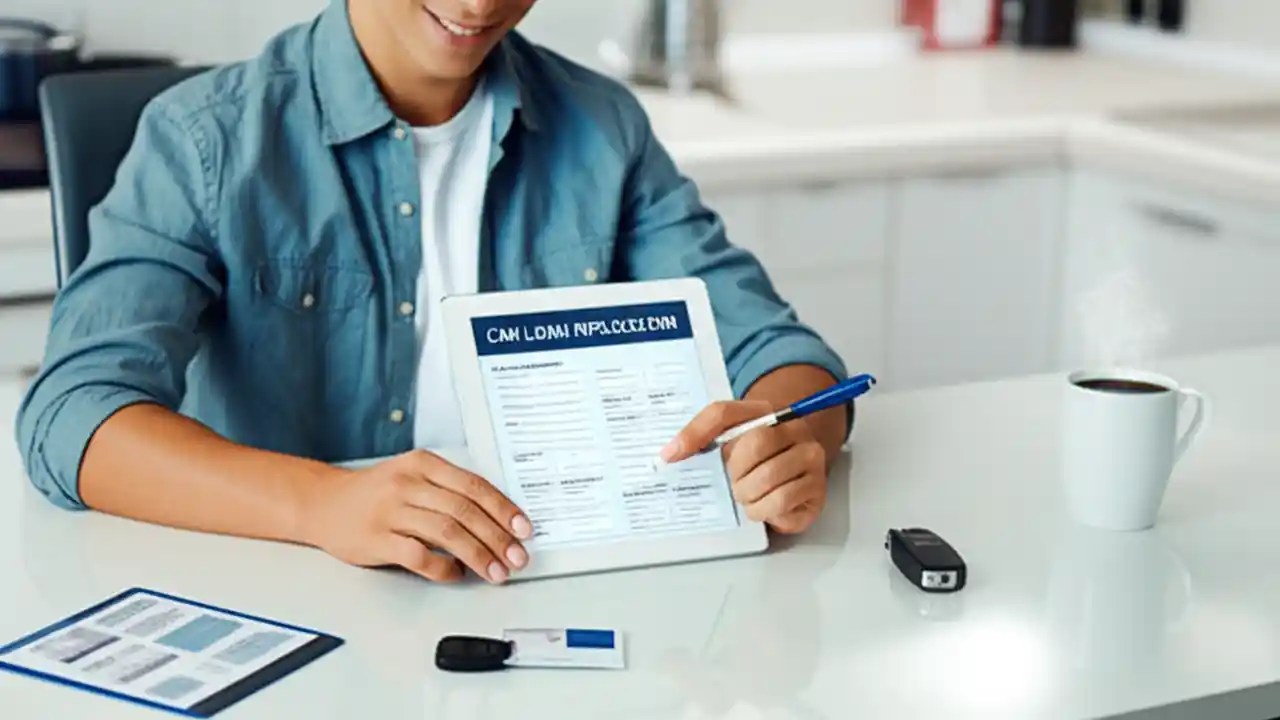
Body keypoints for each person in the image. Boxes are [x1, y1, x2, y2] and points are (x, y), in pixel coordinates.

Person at [16, 0, 852, 585]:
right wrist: (323, 504)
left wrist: (783, 434)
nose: (481, 3)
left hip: (547, 591)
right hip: (294, 599)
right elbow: (74, 416)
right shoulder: (202, 139)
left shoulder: (604, 129)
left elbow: (787, 358)